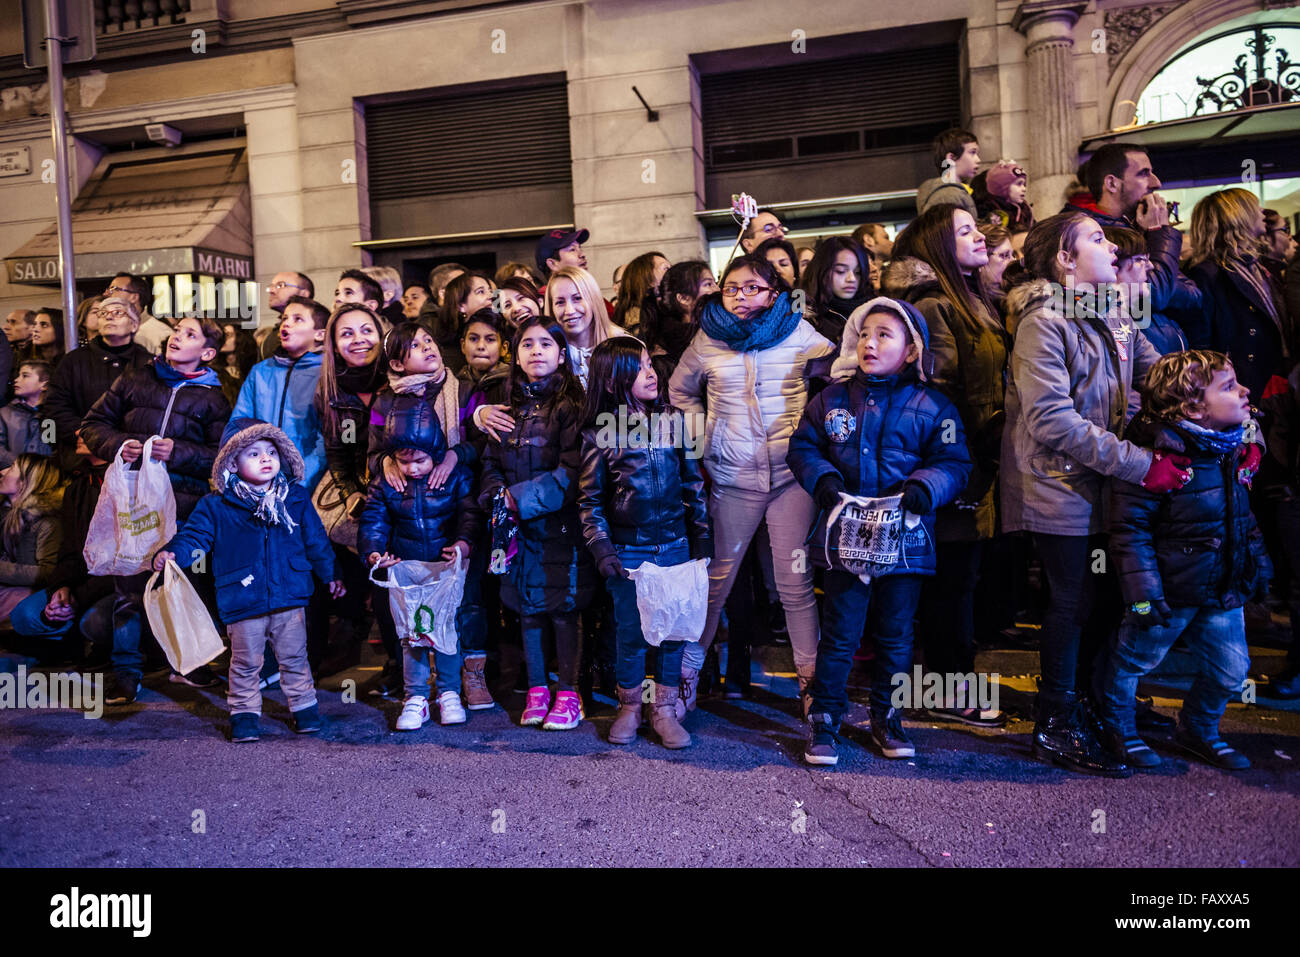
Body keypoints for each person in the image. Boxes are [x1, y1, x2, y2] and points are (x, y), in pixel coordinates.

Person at [1001, 212, 1184, 777]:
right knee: (1073, 603)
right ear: (1065, 259)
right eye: (1097, 239)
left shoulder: (1114, 313)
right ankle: (1054, 723)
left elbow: (1161, 378)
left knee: (1105, 601)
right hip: (1057, 486)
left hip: (1104, 485)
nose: (1112, 248)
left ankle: (1095, 705)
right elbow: (1052, 420)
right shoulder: (1044, 322)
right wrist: (1138, 463)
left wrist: (1219, 396)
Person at [788, 297, 972, 764]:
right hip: (845, 538)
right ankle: (825, 719)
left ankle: (887, 716)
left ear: (911, 350)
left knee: (895, 635)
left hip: (905, 541)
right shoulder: (830, 399)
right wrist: (823, 478)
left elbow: (953, 462)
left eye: (885, 335)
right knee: (841, 633)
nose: (870, 343)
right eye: (865, 334)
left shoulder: (934, 405)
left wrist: (925, 488)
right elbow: (803, 446)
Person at [669, 254, 835, 713]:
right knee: (715, 582)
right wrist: (705, 437)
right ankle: (684, 680)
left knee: (795, 583)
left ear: (775, 294)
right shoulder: (708, 337)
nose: (742, 297)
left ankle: (811, 686)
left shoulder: (800, 332)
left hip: (789, 478)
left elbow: (838, 373)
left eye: (753, 288)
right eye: (732, 288)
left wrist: (814, 432)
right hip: (731, 476)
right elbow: (679, 391)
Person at [1101, 351, 1267, 770]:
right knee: (1132, 660)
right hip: (1170, 591)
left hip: (1222, 586)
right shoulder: (1158, 454)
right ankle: (1117, 729)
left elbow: (1239, 515)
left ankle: (1197, 728)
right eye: (1229, 387)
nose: (1244, 391)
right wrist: (1142, 594)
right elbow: (1130, 530)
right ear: (1193, 408)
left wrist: (1258, 564)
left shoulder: (1231, 444)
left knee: (1232, 670)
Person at [885, 205, 1009, 725]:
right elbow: (938, 394)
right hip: (956, 464)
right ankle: (945, 689)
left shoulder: (974, 296)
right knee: (950, 582)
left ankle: (950, 681)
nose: (978, 236)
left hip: (981, 458)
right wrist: (967, 459)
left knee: (962, 579)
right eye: (965, 230)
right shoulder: (935, 305)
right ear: (938, 245)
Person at [152, 422, 343, 743]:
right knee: (244, 662)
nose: (266, 458)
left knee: (295, 658)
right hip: (243, 597)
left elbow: (315, 540)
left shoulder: (294, 497)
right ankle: (244, 714)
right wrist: (173, 553)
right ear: (231, 463)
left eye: (271, 452)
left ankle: (305, 708)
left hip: (290, 594)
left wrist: (331, 574)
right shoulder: (216, 506)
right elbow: (195, 536)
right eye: (253, 454)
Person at [80, 315, 233, 705]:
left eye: (190, 334)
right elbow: (93, 423)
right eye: (177, 331)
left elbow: (223, 456)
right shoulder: (134, 379)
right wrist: (118, 445)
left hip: (185, 504)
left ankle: (186, 664)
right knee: (129, 586)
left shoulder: (214, 398)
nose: (177, 338)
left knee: (184, 584)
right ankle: (126, 672)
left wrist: (178, 452)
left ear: (208, 352)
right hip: (135, 502)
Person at [578, 337, 710, 749]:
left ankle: (665, 709)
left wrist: (701, 536)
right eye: (640, 366)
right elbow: (590, 500)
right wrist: (602, 548)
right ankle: (630, 707)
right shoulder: (601, 433)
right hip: (627, 552)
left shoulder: (675, 421)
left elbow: (694, 484)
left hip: (674, 546)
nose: (652, 372)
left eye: (651, 363)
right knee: (631, 634)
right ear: (615, 378)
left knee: (672, 632)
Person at [477, 316, 595, 731]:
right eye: (527, 344)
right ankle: (536, 687)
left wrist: (519, 499)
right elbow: (489, 462)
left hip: (559, 527)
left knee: (563, 608)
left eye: (546, 344)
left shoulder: (571, 404)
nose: (536, 351)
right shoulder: (505, 404)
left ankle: (568, 690)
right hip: (513, 525)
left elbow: (573, 468)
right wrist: (497, 497)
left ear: (561, 354)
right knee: (525, 608)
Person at [361, 402, 479, 729]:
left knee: (445, 630)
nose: (412, 469)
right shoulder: (387, 482)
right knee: (412, 634)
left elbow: (469, 515)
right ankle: (415, 697)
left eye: (420, 461)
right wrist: (374, 552)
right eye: (404, 461)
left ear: (436, 454)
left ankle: (449, 692)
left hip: (444, 568)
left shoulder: (454, 476)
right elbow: (374, 520)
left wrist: (463, 544)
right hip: (406, 566)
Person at [314, 303, 390, 686]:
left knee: (393, 579)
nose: (358, 340)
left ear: (382, 334)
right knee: (355, 564)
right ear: (334, 345)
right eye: (346, 334)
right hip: (361, 489)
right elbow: (340, 454)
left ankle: (401, 664)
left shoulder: (400, 377)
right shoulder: (333, 392)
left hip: (402, 486)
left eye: (366, 330)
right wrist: (349, 495)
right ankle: (351, 638)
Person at [1182, 188, 1294, 405]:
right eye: (1255, 206)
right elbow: (1202, 342)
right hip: (1244, 386)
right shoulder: (1207, 273)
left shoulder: (1257, 267)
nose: (1262, 212)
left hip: (1273, 378)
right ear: (1237, 216)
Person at [223, 296, 328, 491]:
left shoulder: (328, 373)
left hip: (307, 483)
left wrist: (301, 479)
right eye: (285, 318)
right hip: (257, 479)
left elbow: (332, 437)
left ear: (320, 334)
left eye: (298, 319)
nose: (286, 323)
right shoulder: (261, 371)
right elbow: (239, 423)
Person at [40, 296, 151, 474]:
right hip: (83, 459)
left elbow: (153, 412)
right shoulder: (74, 361)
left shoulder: (148, 364)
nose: (109, 317)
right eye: (102, 313)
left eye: (118, 313)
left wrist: (125, 442)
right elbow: (54, 407)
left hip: (133, 461)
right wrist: (86, 435)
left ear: (134, 325)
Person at [1104, 226, 1191, 356]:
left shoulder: (1145, 312)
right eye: (1140, 259)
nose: (1150, 266)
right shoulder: (1106, 324)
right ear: (1113, 266)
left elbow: (1194, 295)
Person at [0, 454, 63, 627]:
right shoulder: (5, 512)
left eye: (12, 468)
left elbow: (48, 572)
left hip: (29, 592)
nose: (3, 473)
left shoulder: (47, 522)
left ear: (26, 481)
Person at [544, 265, 629, 388]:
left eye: (577, 298)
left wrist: (619, 408)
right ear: (551, 309)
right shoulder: (548, 355)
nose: (570, 310)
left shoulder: (624, 345)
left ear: (594, 300)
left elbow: (626, 402)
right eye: (560, 302)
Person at [639, 261, 717, 388]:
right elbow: (623, 405)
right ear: (683, 298)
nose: (717, 289)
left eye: (715, 282)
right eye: (708, 284)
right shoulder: (665, 356)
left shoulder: (715, 334)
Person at [798, 236, 873, 344]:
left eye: (858, 272)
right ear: (822, 272)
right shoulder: (806, 317)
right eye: (840, 271)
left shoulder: (875, 308)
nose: (851, 279)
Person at [433, 272, 495, 375]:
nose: (491, 296)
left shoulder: (503, 330)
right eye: (481, 292)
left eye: (490, 291)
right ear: (460, 305)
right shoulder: (449, 354)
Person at [0, 361, 53, 467]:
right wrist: (19, 466)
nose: (16, 380)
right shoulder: (5, 413)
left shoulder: (50, 416)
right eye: (18, 375)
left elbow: (50, 448)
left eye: (25, 376)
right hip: (10, 473)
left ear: (44, 385)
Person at [916, 128, 979, 217]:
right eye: (972, 152)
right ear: (951, 158)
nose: (978, 160)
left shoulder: (952, 191)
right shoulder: (947, 195)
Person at [104, 274, 172, 355]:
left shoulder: (160, 334)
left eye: (114, 289)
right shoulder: (108, 329)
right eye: (108, 289)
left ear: (134, 297)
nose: (106, 294)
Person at [610, 250, 669, 336]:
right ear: (647, 280)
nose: (673, 272)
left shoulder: (659, 308)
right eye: (666, 268)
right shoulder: (638, 319)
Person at [261, 270, 315, 360]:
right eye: (271, 286)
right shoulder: (270, 337)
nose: (271, 291)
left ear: (304, 293)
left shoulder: (317, 329)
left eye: (281, 285)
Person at [973, 160, 1034, 229]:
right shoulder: (989, 210)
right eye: (1019, 184)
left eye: (1024, 184)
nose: (1024, 189)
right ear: (1003, 188)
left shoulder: (1024, 209)